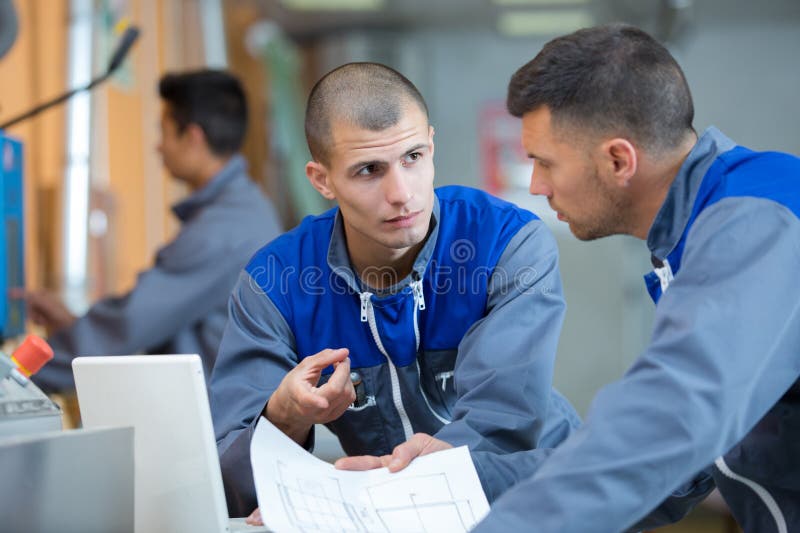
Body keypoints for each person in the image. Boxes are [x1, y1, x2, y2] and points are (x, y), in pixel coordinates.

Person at [359, 24, 800, 532]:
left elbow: (665, 426)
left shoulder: (756, 224)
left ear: (618, 160)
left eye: (545, 163)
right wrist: (450, 481)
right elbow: (678, 469)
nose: (538, 186)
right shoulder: (707, 229)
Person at [208, 62, 581, 519]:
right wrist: (285, 416)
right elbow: (225, 482)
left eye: (413, 157)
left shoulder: (507, 242)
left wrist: (358, 496)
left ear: (432, 145)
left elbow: (500, 430)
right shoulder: (275, 283)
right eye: (369, 170)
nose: (402, 193)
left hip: (549, 505)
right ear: (321, 179)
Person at [23, 69, 281, 391]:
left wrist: (18, 377)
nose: (158, 147)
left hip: (217, 430)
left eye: (164, 132)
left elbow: (127, 326)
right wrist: (78, 327)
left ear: (193, 137)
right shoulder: (248, 208)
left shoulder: (222, 228)